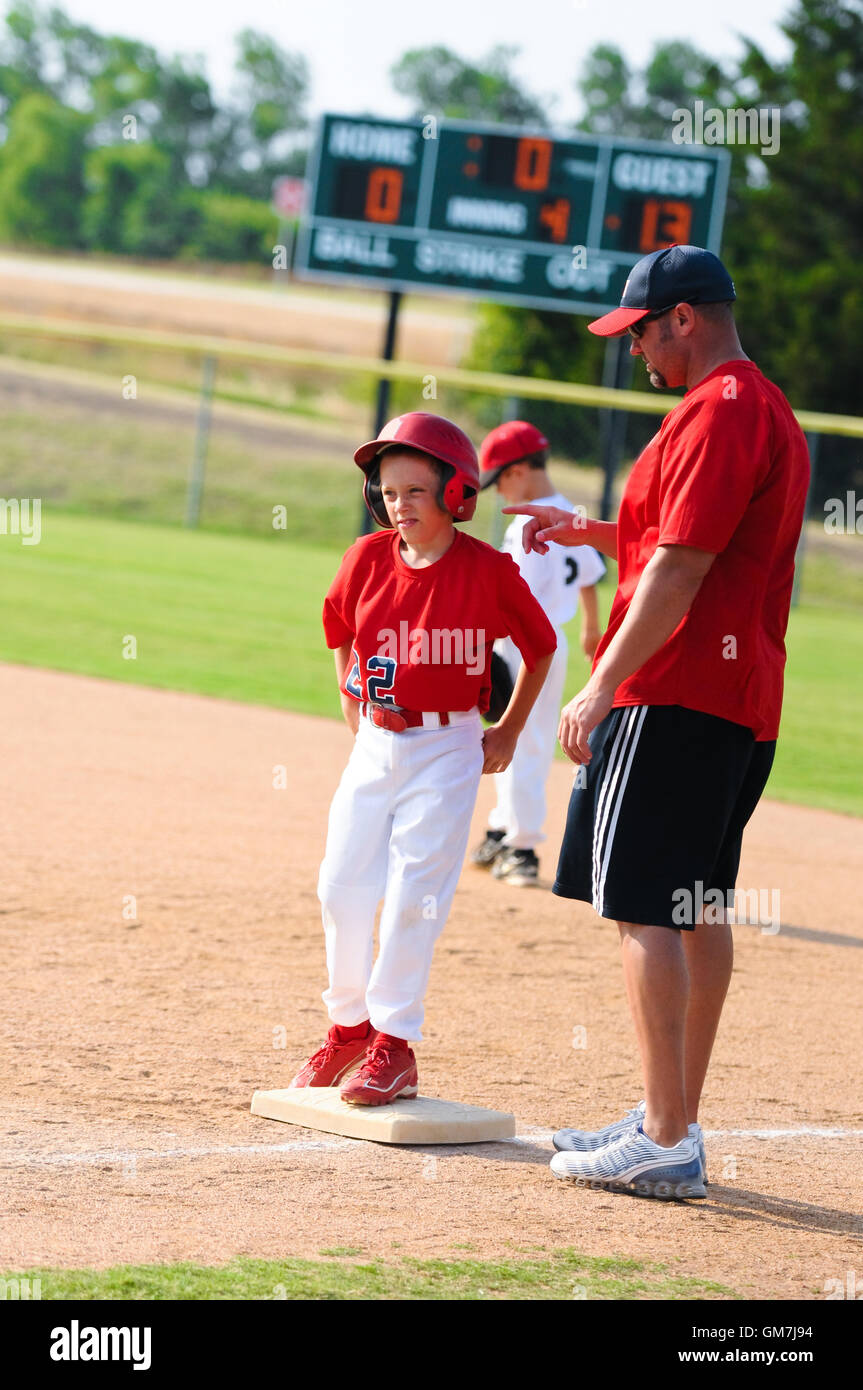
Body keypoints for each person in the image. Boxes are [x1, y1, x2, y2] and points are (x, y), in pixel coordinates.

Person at [509, 245, 810, 1198]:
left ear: (683, 317)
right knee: (694, 907)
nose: (634, 346)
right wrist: (595, 534)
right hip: (735, 697)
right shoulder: (758, 406)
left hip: (675, 690)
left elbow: (680, 571)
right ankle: (664, 1112)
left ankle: (669, 1139)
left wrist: (600, 681)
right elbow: (691, 540)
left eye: (640, 329)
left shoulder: (718, 409)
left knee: (643, 906)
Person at [291, 412, 556, 1106]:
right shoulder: (365, 558)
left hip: (447, 746)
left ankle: (394, 1045)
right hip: (377, 741)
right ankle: (349, 1025)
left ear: (456, 494)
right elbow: (339, 627)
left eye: (413, 491)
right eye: (385, 491)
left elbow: (540, 648)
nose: (396, 505)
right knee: (340, 884)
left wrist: (505, 730)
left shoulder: (487, 571)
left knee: (415, 895)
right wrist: (348, 694)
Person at [470, 420, 605, 886]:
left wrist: (483, 637)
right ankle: (505, 824)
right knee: (512, 734)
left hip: (527, 643)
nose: (498, 489)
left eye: (502, 477)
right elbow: (590, 572)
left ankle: (523, 846)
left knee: (519, 738)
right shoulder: (569, 511)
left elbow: (515, 594)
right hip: (549, 640)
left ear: (523, 469)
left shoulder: (531, 520)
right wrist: (590, 624)